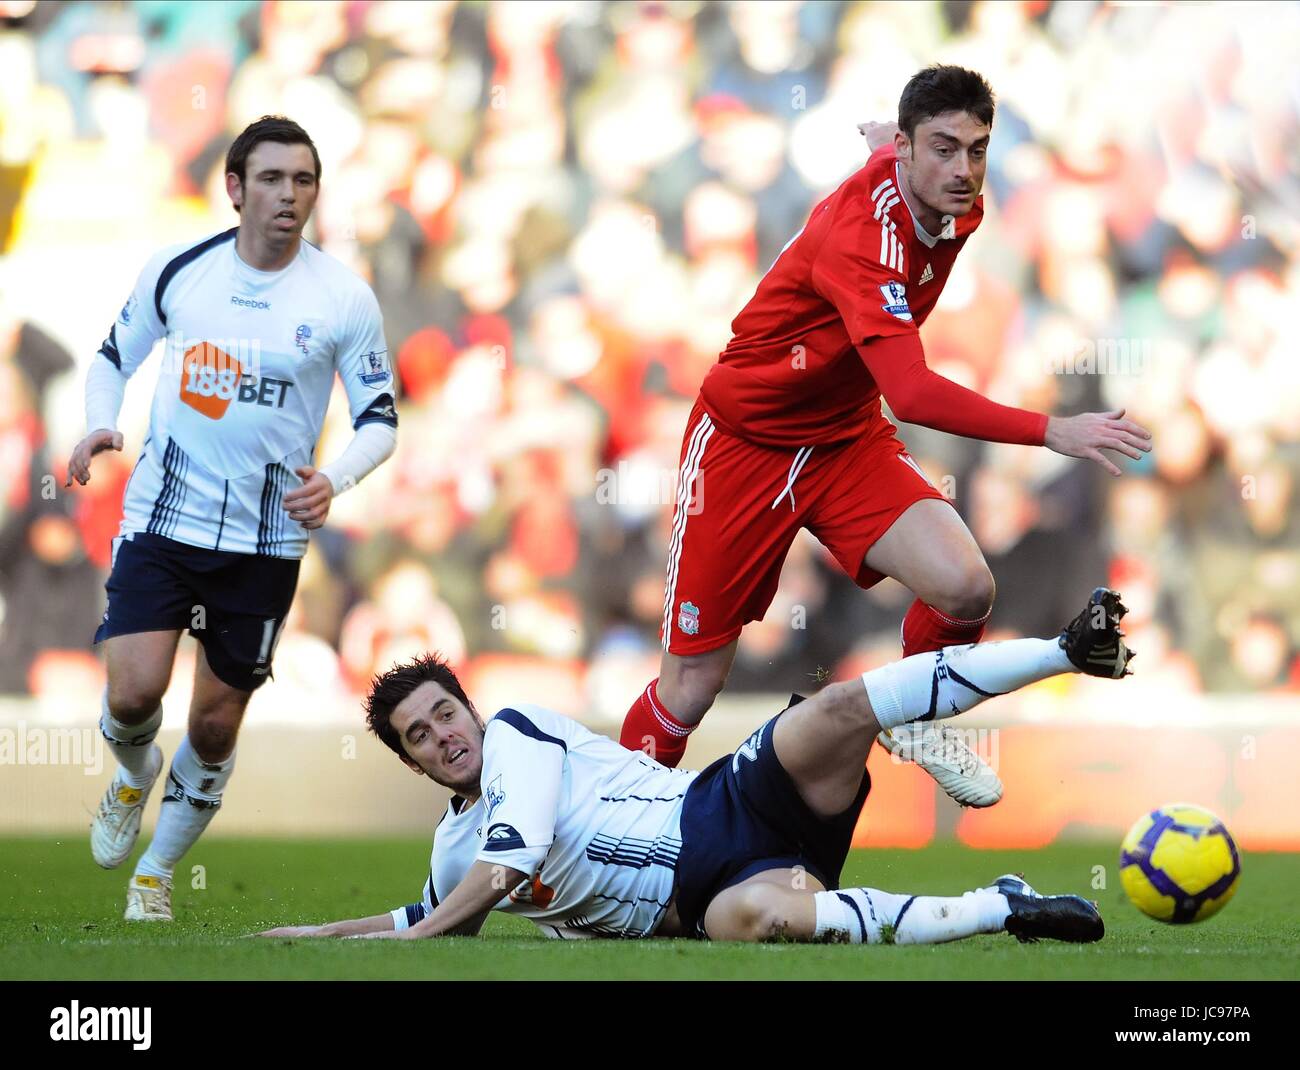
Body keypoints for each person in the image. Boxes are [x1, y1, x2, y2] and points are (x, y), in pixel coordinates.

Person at [618, 65, 1152, 807]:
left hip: (842, 437)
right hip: (747, 442)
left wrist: (885, 143)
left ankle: (918, 718)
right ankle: (599, 839)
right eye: (942, 148)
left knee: (965, 586)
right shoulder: (862, 238)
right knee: (692, 685)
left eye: (977, 148)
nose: (963, 169)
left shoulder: (951, 197)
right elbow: (912, 391)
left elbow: (893, 160)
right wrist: (1051, 429)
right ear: (906, 148)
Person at [257, 588, 1133, 944]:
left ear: (472, 709)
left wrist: (417, 935)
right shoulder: (457, 856)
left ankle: (1066, 648)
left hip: (715, 808)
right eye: (420, 735)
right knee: (759, 921)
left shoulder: (518, 737)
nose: (442, 734)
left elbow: (498, 872)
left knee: (833, 703)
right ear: (413, 764)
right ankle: (1006, 907)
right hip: (702, 898)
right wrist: (311, 940)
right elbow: (428, 908)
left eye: (445, 712)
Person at [66, 115, 399, 922]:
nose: (291, 196)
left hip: (266, 541)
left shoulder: (343, 297)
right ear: (236, 188)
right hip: (163, 522)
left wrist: (337, 480)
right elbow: (114, 354)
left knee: (214, 726)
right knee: (136, 694)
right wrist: (99, 421)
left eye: (305, 181)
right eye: (275, 179)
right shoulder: (181, 271)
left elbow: (380, 416)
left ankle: (156, 875)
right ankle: (132, 774)